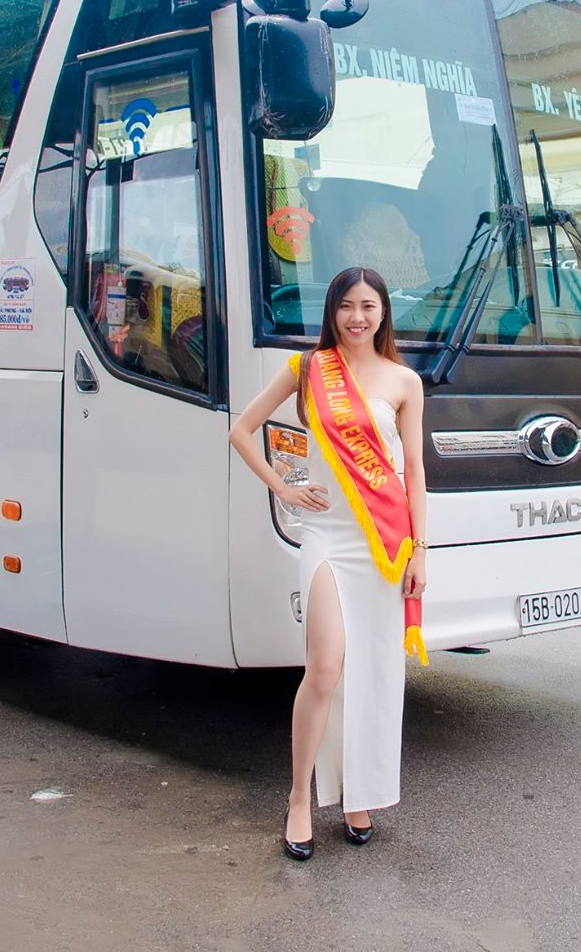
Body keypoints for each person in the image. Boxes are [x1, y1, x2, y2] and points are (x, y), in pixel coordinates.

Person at [229, 267, 428, 860]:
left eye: (368, 306)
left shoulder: (404, 381)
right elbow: (242, 430)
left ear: (384, 312)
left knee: (371, 670)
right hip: (325, 536)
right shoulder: (307, 370)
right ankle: (298, 796)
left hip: (383, 544)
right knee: (326, 668)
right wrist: (284, 487)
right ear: (333, 312)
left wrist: (421, 550)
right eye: (346, 306)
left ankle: (359, 795)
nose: (357, 317)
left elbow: (413, 471)